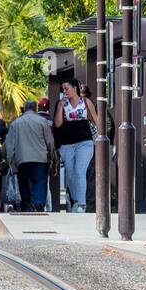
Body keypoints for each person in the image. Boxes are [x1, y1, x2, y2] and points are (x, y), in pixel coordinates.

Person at [54, 78, 98, 213]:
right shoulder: (61, 104)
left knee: (80, 171)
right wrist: (60, 107)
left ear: (75, 88)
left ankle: (82, 204)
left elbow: (96, 120)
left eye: (66, 88)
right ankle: (76, 201)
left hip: (85, 142)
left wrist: (99, 140)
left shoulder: (85, 102)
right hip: (67, 144)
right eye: (63, 89)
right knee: (71, 174)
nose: (65, 91)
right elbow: (57, 124)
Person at [5, 99, 55, 211]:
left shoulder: (16, 123)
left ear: (25, 108)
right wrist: (51, 155)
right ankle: (39, 203)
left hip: (22, 159)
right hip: (40, 158)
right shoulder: (42, 122)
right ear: (36, 109)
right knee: (40, 180)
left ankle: (26, 205)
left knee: (23, 182)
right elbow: (50, 141)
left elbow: (9, 145)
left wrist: (11, 161)